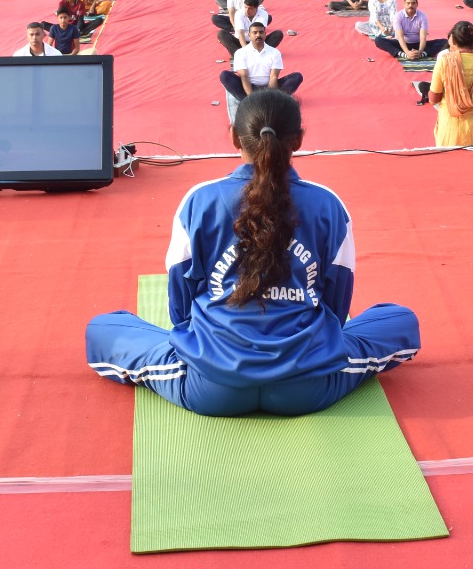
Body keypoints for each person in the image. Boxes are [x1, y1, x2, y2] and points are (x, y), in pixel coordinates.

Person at [84, 89, 419, 416]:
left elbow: (181, 308)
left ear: (234, 137)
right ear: (298, 140)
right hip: (307, 385)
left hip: (212, 384)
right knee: (399, 320)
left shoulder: (199, 201)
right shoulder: (328, 205)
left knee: (104, 328)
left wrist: (210, 341)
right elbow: (336, 306)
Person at [422, 21, 473, 144]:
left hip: (451, 128)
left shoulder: (444, 62)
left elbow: (433, 99)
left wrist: (453, 93)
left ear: (452, 40)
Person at [222, 21, 301, 101]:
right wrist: (251, 97)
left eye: (261, 32)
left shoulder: (274, 52)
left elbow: (274, 76)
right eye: (255, 33)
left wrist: (269, 95)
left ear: (265, 34)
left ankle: (274, 100)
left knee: (297, 77)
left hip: (269, 86)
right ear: (249, 35)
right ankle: (247, 102)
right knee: (225, 75)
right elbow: (244, 77)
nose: (258, 35)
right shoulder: (240, 52)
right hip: (249, 86)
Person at [375, 0, 448, 61]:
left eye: (413, 3)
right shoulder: (398, 16)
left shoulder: (422, 16)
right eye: (408, 3)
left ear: (417, 4)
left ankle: (422, 55)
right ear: (404, 4)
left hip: (418, 44)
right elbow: (400, 37)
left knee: (445, 42)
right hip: (401, 45)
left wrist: (420, 51)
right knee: (378, 40)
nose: (410, 5)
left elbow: (423, 36)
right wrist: (407, 53)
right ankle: (403, 54)